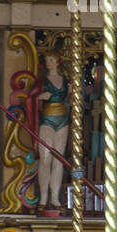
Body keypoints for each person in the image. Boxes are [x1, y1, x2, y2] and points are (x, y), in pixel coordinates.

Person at [35, 51, 69, 209]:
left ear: (57, 62)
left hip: (62, 119)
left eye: (51, 59)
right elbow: (31, 98)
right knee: (45, 158)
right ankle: (43, 198)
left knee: (58, 160)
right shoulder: (42, 81)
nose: (48, 62)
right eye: (46, 59)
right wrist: (40, 97)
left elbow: (73, 100)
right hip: (47, 118)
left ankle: (55, 198)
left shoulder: (66, 81)